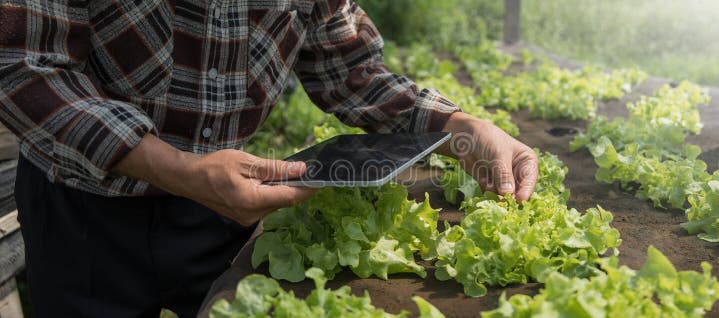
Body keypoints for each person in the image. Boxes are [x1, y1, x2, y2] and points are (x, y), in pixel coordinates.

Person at [0, 0, 539, 316]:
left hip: (224, 207)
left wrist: (464, 127)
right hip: (81, 209)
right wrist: (175, 167)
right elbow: (24, 64)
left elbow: (348, 70)